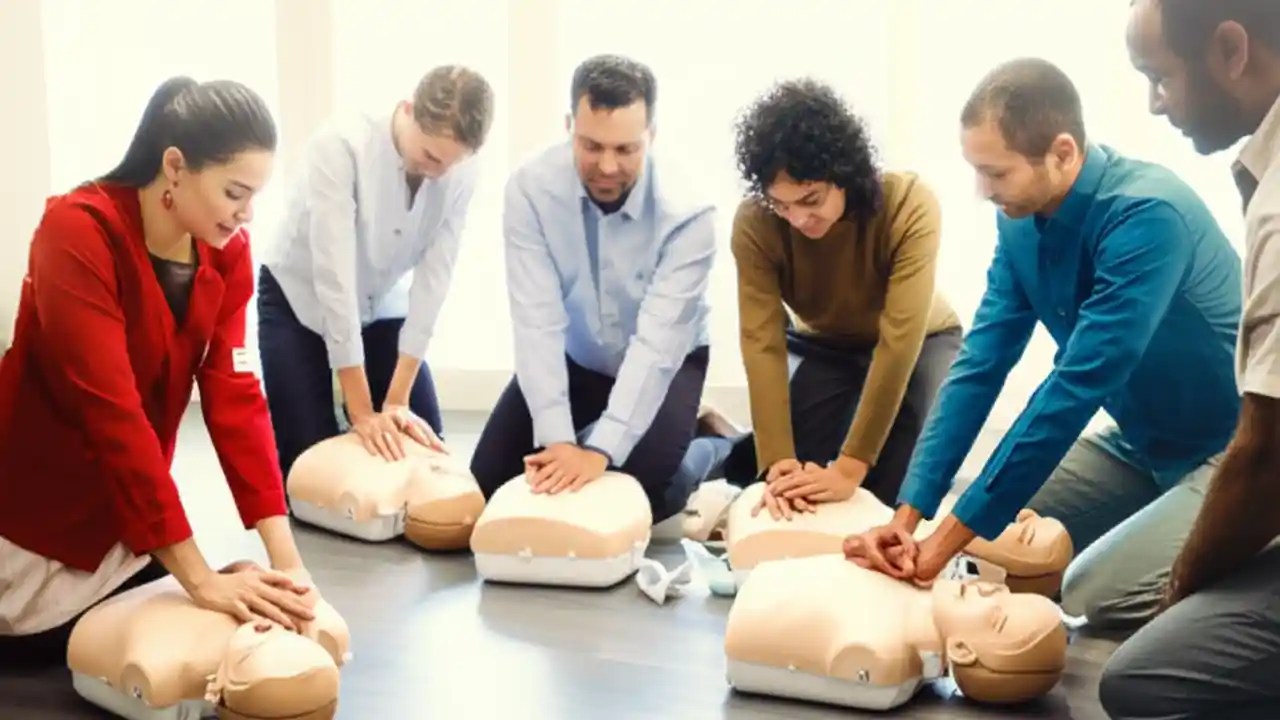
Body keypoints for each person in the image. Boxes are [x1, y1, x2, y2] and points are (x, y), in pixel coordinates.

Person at [843, 57, 1244, 630]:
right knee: (987, 542)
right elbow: (980, 365)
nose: (983, 191)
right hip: (1141, 447)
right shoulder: (1018, 220)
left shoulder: (1147, 214)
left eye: (996, 174)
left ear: (1062, 152)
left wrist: (941, 546)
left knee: (1090, 593)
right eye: (977, 171)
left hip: (1233, 454)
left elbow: (1075, 386)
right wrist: (907, 522)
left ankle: (1256, 549)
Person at [0, 77, 316, 668]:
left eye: (255, 197)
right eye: (234, 193)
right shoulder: (75, 233)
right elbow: (112, 413)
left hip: (125, 524)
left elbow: (236, 397)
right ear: (175, 166)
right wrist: (200, 579)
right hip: (31, 520)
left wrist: (291, 565)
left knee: (231, 606)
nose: (247, 214)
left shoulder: (226, 251)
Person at [1101, 2, 1280, 717]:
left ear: (1231, 50)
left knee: (1142, 677)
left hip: (1230, 456)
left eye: (1161, 76)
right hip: (1172, 451)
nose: (1154, 103)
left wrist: (1180, 590)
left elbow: (1265, 457)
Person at [469, 54, 726, 524]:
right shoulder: (529, 190)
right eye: (591, 146)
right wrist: (559, 442)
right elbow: (536, 322)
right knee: (489, 485)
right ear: (569, 126)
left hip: (666, 362)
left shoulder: (690, 213)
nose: (607, 166)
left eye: (626, 149)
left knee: (633, 492)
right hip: (579, 356)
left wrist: (599, 451)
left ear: (651, 136)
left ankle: (712, 444)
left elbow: (656, 345)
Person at [714, 77, 963, 519]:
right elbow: (761, 340)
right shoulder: (755, 223)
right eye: (781, 205)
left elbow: (899, 338)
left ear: (845, 174)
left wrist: (851, 466)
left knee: (895, 475)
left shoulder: (909, 203)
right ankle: (720, 436)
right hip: (825, 343)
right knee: (787, 472)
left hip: (922, 340)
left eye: (811, 199)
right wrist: (778, 460)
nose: (798, 219)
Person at [258, 65, 494, 480]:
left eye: (450, 163)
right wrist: (362, 411)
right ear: (408, 110)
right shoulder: (340, 146)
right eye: (430, 156)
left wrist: (397, 400)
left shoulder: (461, 172)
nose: (438, 172)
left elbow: (434, 282)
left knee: (424, 448)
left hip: (378, 302)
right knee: (311, 468)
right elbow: (334, 280)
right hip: (299, 299)